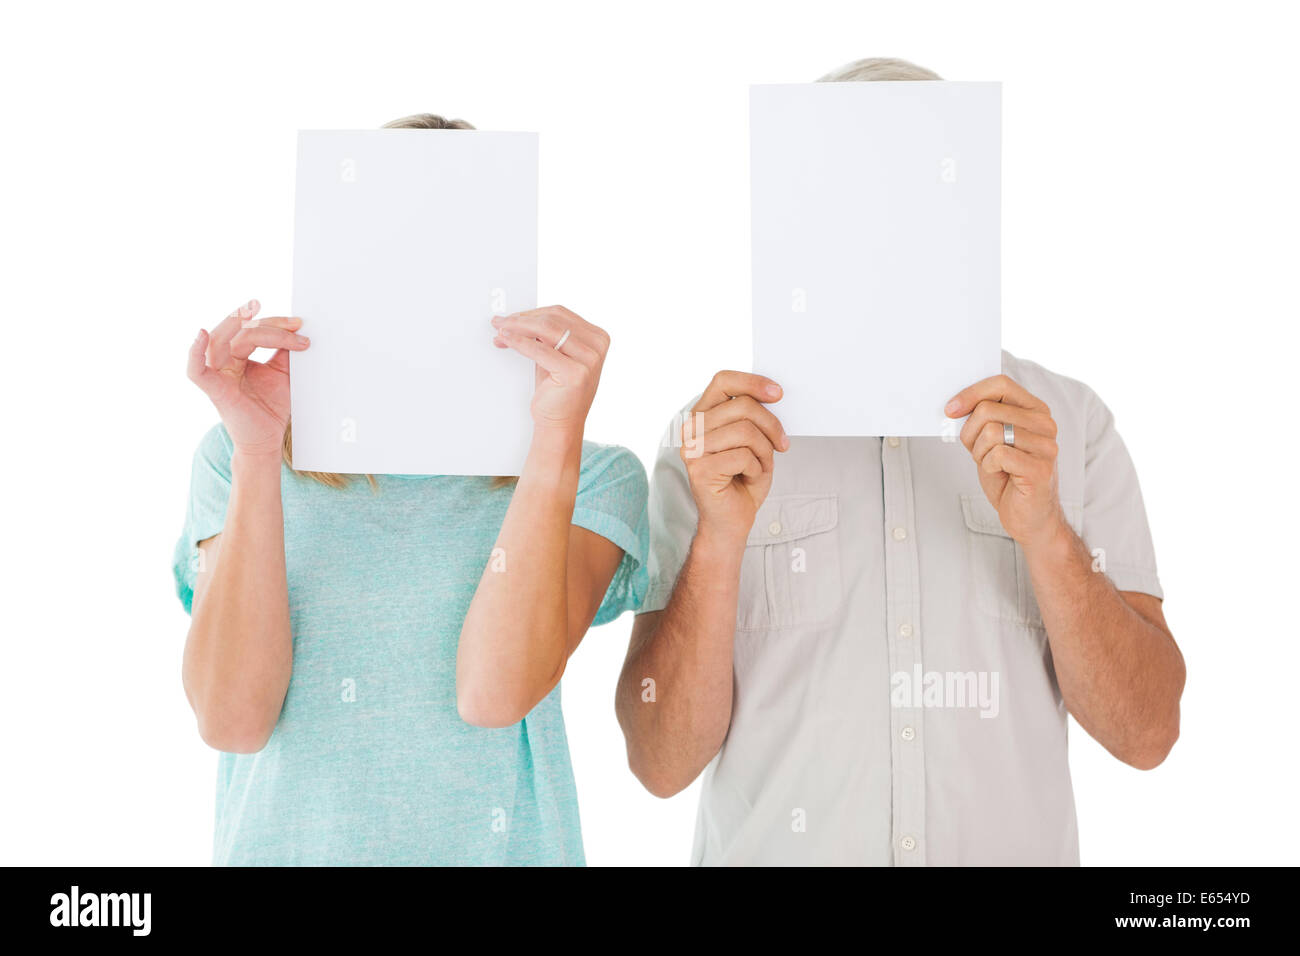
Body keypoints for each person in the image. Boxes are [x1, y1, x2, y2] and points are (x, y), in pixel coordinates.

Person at [616, 59, 1185, 866]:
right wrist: (716, 539)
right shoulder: (714, 441)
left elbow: (1148, 732)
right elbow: (659, 761)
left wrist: (1047, 532)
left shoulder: (1072, 426)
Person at [173, 113, 648, 866]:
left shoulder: (591, 475)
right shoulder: (235, 460)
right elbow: (232, 719)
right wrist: (259, 452)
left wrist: (553, 437)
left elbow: (492, 697)